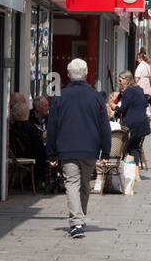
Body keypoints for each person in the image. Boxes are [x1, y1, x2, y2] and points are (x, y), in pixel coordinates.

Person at [46, 59, 112, 239]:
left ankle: (77, 220)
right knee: (84, 184)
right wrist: (105, 152)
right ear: (86, 73)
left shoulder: (60, 97)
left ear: (68, 75)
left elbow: (52, 126)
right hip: (90, 149)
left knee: (72, 183)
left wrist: (51, 152)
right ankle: (78, 220)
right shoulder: (96, 96)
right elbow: (104, 126)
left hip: (67, 148)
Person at [8, 94, 50, 190]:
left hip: (19, 153)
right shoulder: (28, 126)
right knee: (47, 154)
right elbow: (42, 135)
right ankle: (41, 181)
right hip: (31, 154)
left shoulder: (14, 126)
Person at [114, 70, 151, 172]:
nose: (119, 83)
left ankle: (126, 171)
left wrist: (114, 107)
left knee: (126, 147)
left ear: (126, 80)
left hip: (132, 125)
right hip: (141, 124)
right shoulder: (139, 90)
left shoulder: (128, 91)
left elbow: (122, 108)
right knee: (134, 148)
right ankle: (135, 171)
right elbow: (145, 104)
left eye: (120, 81)